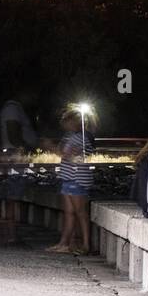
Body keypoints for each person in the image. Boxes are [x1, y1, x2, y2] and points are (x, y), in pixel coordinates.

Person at [48, 107, 96, 255]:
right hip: (68, 178)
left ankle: (86, 245)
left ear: (75, 122)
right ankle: (65, 243)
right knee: (69, 213)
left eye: (66, 121)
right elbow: (66, 153)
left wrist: (51, 147)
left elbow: (75, 156)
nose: (64, 125)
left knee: (80, 213)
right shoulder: (71, 136)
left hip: (77, 179)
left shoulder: (82, 138)